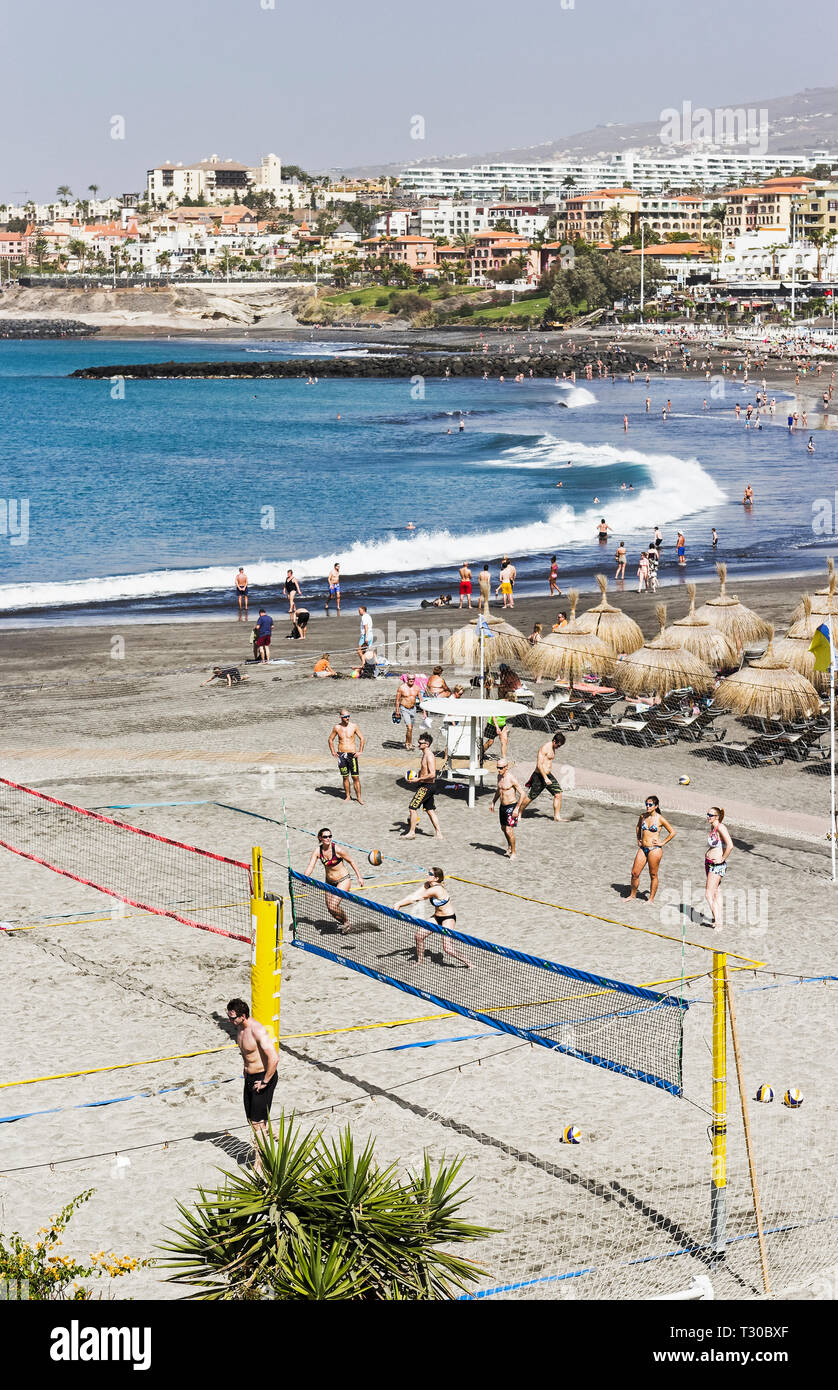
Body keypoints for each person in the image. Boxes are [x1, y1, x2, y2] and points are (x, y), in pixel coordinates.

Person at [227, 998, 279, 1159]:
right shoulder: (240, 1029)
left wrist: (265, 1081)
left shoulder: (257, 1030)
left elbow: (274, 1058)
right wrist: (245, 1069)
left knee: (257, 1123)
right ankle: (272, 1131)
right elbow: (247, 1054)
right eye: (229, 1017)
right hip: (249, 1078)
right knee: (252, 1119)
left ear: (243, 1016)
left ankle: (261, 1162)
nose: (230, 1020)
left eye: (233, 1017)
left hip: (263, 1078)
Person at [394, 868, 471, 967]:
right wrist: (398, 903)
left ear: (436, 878)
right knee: (419, 936)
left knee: (448, 948)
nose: (427, 874)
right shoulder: (428, 884)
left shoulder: (436, 889)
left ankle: (469, 963)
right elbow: (414, 894)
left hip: (448, 918)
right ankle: (420, 961)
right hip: (436, 917)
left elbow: (416, 898)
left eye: (430, 873)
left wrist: (399, 905)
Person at [304, 827, 365, 930]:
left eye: (330, 836)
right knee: (330, 909)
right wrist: (304, 878)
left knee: (333, 905)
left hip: (343, 880)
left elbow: (351, 861)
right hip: (329, 882)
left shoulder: (337, 850)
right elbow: (310, 866)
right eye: (325, 837)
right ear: (320, 838)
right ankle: (344, 923)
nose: (328, 838)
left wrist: (359, 877)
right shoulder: (318, 851)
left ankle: (346, 922)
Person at [628, 795, 676, 903]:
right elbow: (638, 827)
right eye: (646, 804)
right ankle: (632, 895)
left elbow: (672, 832)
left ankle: (651, 899)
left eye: (650, 805)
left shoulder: (660, 819)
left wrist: (662, 842)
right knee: (634, 873)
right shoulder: (643, 816)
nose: (647, 806)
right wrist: (638, 839)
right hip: (643, 848)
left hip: (654, 849)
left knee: (653, 874)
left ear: (656, 806)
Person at [516, 732, 566, 822]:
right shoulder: (545, 748)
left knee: (558, 794)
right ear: (554, 741)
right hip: (539, 776)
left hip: (548, 775)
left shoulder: (553, 747)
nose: (559, 747)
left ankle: (557, 817)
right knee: (531, 797)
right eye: (558, 745)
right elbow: (539, 765)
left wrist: (547, 776)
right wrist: (545, 778)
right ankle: (519, 812)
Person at [403, 731, 442, 839]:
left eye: (420, 743)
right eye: (418, 742)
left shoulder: (429, 756)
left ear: (427, 744)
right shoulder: (425, 754)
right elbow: (425, 771)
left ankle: (412, 832)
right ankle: (439, 834)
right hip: (427, 785)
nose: (418, 744)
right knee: (430, 810)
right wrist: (416, 778)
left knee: (412, 808)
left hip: (427, 787)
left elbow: (433, 774)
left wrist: (418, 779)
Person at [703, 806, 733, 929]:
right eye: (707, 814)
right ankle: (718, 919)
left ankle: (719, 924)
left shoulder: (721, 827)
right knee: (716, 892)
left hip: (716, 865)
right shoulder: (713, 827)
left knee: (708, 894)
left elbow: (730, 845)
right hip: (709, 862)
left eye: (710, 815)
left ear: (717, 817)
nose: (708, 817)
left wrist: (722, 858)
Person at [490, 758, 525, 859]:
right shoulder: (499, 777)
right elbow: (499, 790)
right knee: (503, 828)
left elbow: (522, 794)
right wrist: (493, 802)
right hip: (502, 806)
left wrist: (516, 809)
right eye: (497, 767)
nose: (498, 770)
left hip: (511, 807)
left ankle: (513, 852)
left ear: (506, 767)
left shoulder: (511, 778)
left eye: (500, 768)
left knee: (509, 830)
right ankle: (509, 846)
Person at [328, 709, 365, 804]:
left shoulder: (354, 726)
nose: (347, 718)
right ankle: (348, 796)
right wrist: (333, 751)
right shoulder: (337, 727)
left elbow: (362, 738)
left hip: (352, 755)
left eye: (348, 716)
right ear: (340, 717)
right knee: (345, 777)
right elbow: (330, 739)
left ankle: (359, 797)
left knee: (355, 777)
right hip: (341, 755)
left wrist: (360, 751)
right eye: (345, 717)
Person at [395, 673, 421, 749]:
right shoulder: (401, 688)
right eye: (410, 679)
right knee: (409, 727)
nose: (411, 680)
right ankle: (408, 744)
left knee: (410, 728)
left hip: (413, 708)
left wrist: (425, 712)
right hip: (404, 708)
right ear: (407, 679)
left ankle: (408, 742)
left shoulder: (417, 688)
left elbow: (421, 699)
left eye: (413, 679)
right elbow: (397, 700)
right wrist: (397, 711)